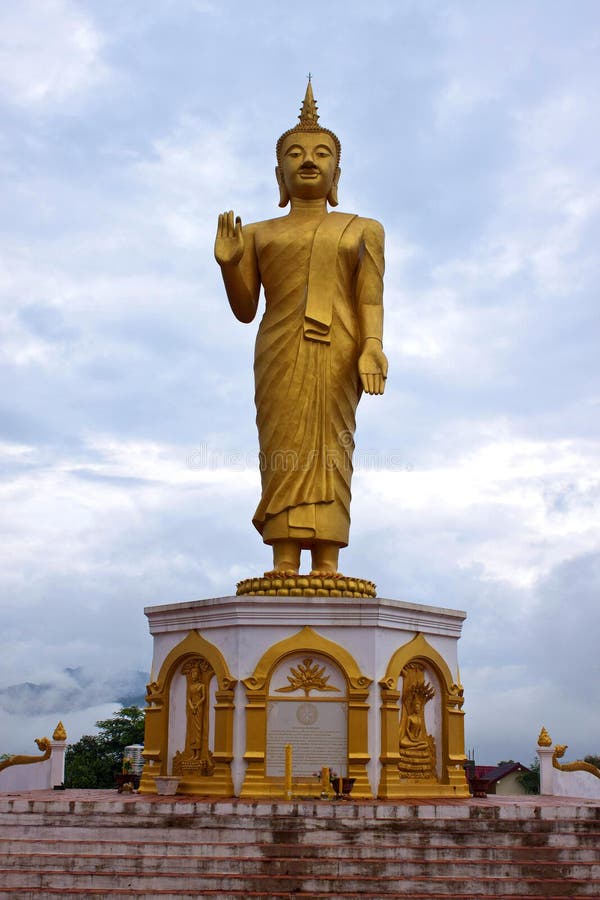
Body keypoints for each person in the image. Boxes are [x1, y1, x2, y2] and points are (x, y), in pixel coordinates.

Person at [215, 81, 387, 577]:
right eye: (294, 154)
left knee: (333, 447)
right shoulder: (256, 234)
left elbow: (369, 296)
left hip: (338, 349)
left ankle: (328, 561)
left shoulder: (363, 229)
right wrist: (230, 264)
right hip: (280, 349)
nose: (307, 160)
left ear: (337, 171)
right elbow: (246, 308)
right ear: (279, 173)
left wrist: (373, 345)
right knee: (282, 446)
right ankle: (284, 559)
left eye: (320, 153)